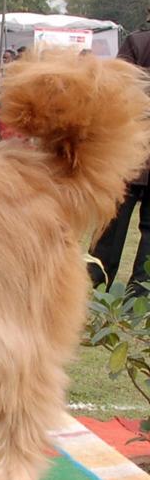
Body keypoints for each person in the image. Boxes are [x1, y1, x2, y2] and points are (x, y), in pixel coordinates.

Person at [88, 27, 150, 295]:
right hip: (129, 152)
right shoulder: (138, 41)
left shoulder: (138, 42)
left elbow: (117, 91)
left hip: (128, 152)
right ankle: (139, 296)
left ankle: (96, 288)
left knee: (110, 227)